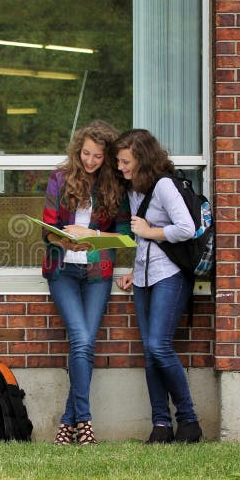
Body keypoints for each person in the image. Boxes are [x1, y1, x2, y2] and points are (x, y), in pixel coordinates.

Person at [41, 120, 131, 445]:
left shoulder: (114, 186)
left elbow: (124, 233)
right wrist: (64, 241)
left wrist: (93, 236)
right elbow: (47, 228)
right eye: (86, 153)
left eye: (97, 156)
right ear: (78, 150)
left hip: (97, 272)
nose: (90, 161)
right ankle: (86, 423)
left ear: (106, 158)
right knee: (81, 339)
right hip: (62, 270)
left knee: (84, 345)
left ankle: (68, 423)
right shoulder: (60, 178)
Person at [114, 129, 203, 444]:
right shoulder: (134, 189)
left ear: (141, 157)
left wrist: (150, 231)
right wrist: (133, 270)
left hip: (170, 275)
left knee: (158, 346)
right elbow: (141, 239)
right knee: (150, 353)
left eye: (125, 161)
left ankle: (189, 422)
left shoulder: (164, 185)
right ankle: (161, 426)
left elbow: (186, 229)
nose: (121, 167)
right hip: (143, 278)